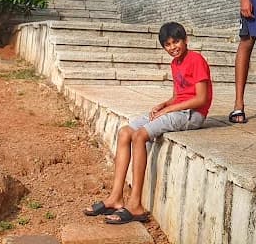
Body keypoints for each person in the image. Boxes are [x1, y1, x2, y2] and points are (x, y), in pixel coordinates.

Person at [83, 22, 213, 224]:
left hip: (193, 114)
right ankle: (116, 196)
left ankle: (135, 205)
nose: (173, 47)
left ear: (185, 40)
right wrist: (164, 104)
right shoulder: (175, 63)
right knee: (125, 132)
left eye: (176, 42)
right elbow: (178, 95)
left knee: (140, 135)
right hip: (179, 108)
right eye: (167, 44)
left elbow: (201, 98)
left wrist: (170, 109)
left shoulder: (196, 59)